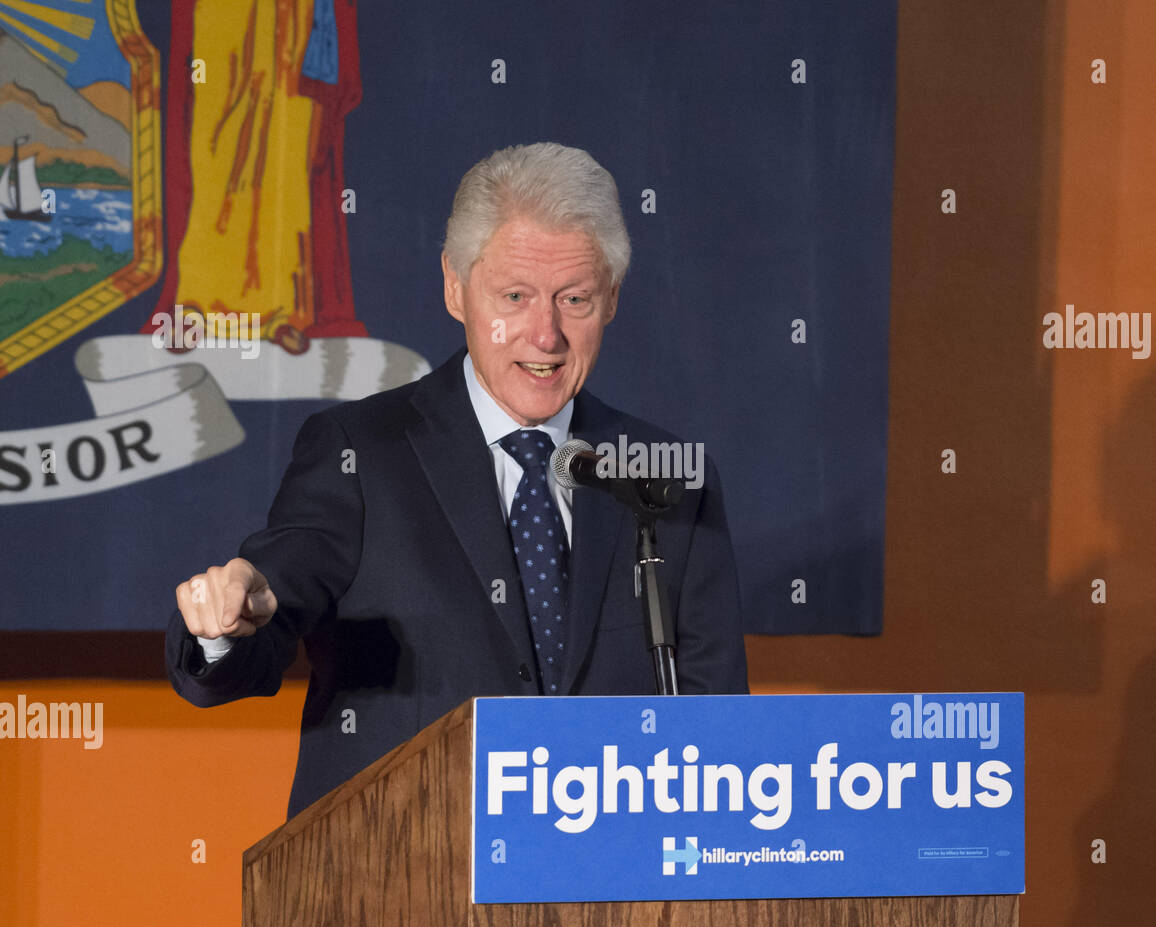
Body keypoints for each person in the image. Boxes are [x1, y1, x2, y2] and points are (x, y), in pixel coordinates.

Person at [166, 142, 749, 819]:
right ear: (454, 287)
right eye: (514, 296)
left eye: (575, 299)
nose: (546, 333)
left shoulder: (666, 476)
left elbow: (718, 730)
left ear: (612, 299)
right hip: (395, 880)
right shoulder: (360, 453)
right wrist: (233, 618)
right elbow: (265, 618)